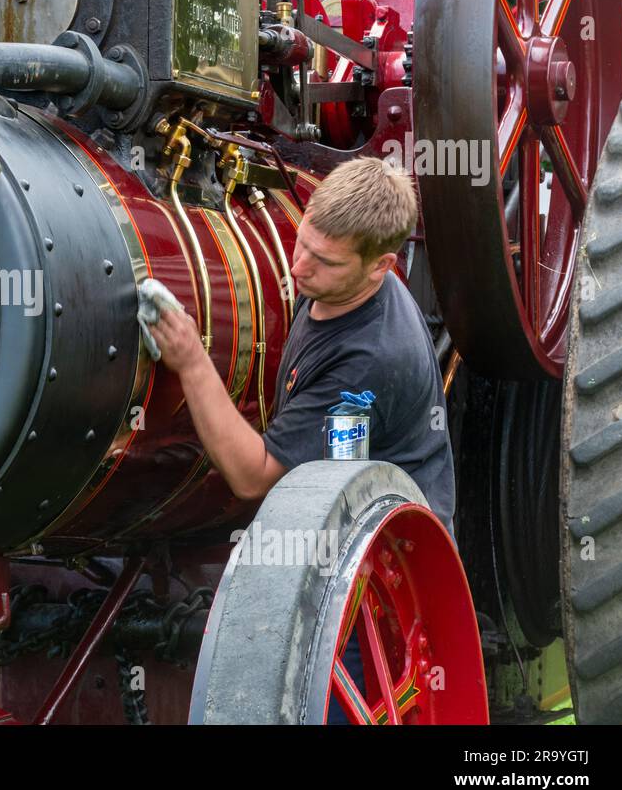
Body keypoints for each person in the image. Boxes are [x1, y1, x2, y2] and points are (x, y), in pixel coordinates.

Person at [148, 156, 455, 724]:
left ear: (381, 266)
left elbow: (253, 475)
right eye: (303, 242)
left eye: (325, 260)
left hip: (378, 582)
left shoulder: (369, 359)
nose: (300, 265)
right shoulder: (338, 286)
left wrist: (191, 359)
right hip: (339, 541)